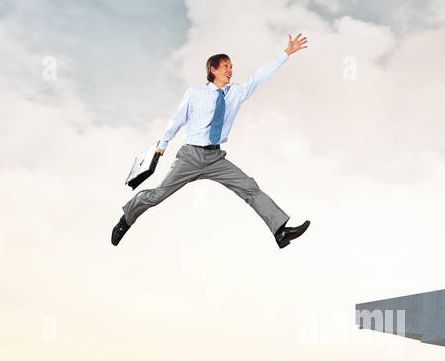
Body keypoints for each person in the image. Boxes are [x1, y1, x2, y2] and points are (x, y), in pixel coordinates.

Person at [112, 33, 311, 249]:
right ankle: (126, 219)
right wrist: (162, 146)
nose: (230, 70)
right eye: (225, 66)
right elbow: (176, 120)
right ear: (212, 70)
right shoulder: (195, 93)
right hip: (190, 156)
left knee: (249, 187)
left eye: (231, 66)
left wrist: (286, 53)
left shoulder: (236, 92)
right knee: (157, 195)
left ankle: (280, 231)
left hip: (216, 158)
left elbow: (260, 77)